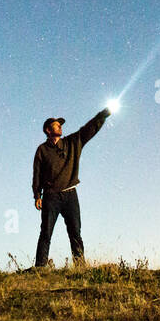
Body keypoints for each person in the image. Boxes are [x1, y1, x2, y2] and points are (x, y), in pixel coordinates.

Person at [32, 106, 111, 267]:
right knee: (45, 233)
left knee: (75, 232)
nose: (60, 126)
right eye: (56, 124)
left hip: (70, 195)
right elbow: (37, 174)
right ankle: (40, 268)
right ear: (48, 130)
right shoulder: (42, 150)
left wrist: (102, 116)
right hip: (50, 197)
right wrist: (37, 196)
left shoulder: (72, 143)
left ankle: (80, 267)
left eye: (60, 124)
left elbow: (87, 130)